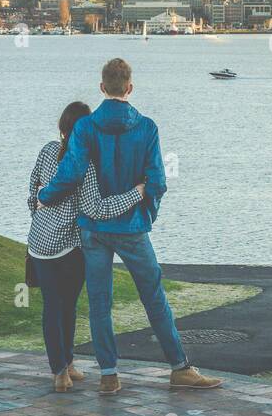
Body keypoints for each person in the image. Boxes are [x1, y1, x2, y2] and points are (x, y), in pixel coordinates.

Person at [38, 58, 222, 393]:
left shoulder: (85, 128)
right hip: (132, 228)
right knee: (154, 297)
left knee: (99, 303)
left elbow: (71, 174)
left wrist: (44, 196)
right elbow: (157, 182)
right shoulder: (147, 128)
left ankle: (109, 375)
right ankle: (179, 367)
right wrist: (146, 215)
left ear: (102, 87)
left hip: (93, 230)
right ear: (130, 87)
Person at [26, 101, 147, 392]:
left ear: (62, 126)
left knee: (56, 307)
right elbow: (97, 209)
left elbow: (32, 189)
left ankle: (64, 364)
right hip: (68, 246)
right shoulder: (87, 165)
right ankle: (60, 370)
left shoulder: (46, 151)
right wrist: (136, 193)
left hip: (38, 244)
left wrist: (39, 209)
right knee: (63, 306)